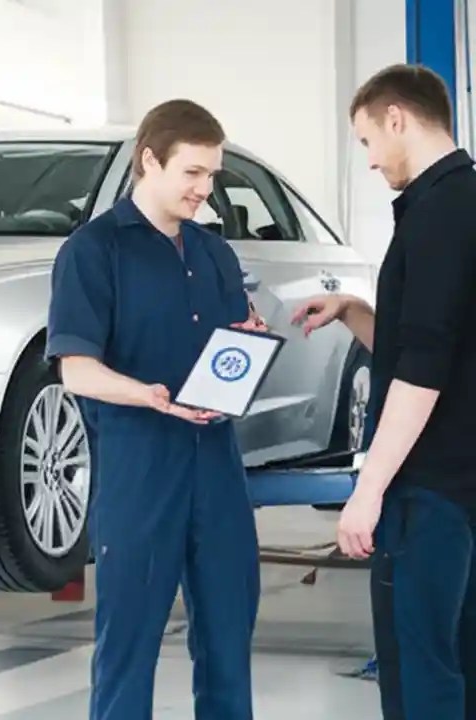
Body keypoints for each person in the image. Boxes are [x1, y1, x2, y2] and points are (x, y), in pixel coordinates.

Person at [46, 99, 266, 720]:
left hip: (218, 469)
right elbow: (75, 370)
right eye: (193, 173)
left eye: (213, 176)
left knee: (228, 642)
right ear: (149, 160)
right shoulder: (93, 252)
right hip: (140, 470)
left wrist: (248, 341)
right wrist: (146, 395)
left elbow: (226, 350)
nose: (206, 189)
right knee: (128, 650)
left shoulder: (216, 254)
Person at [293, 63, 476, 719]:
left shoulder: (435, 217)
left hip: (427, 494)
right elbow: (441, 347)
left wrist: (366, 493)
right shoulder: (463, 201)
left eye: (367, 140)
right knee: (454, 664)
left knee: (419, 676)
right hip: (462, 486)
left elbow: (423, 371)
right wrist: (353, 310)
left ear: (396, 118)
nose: (369, 160)